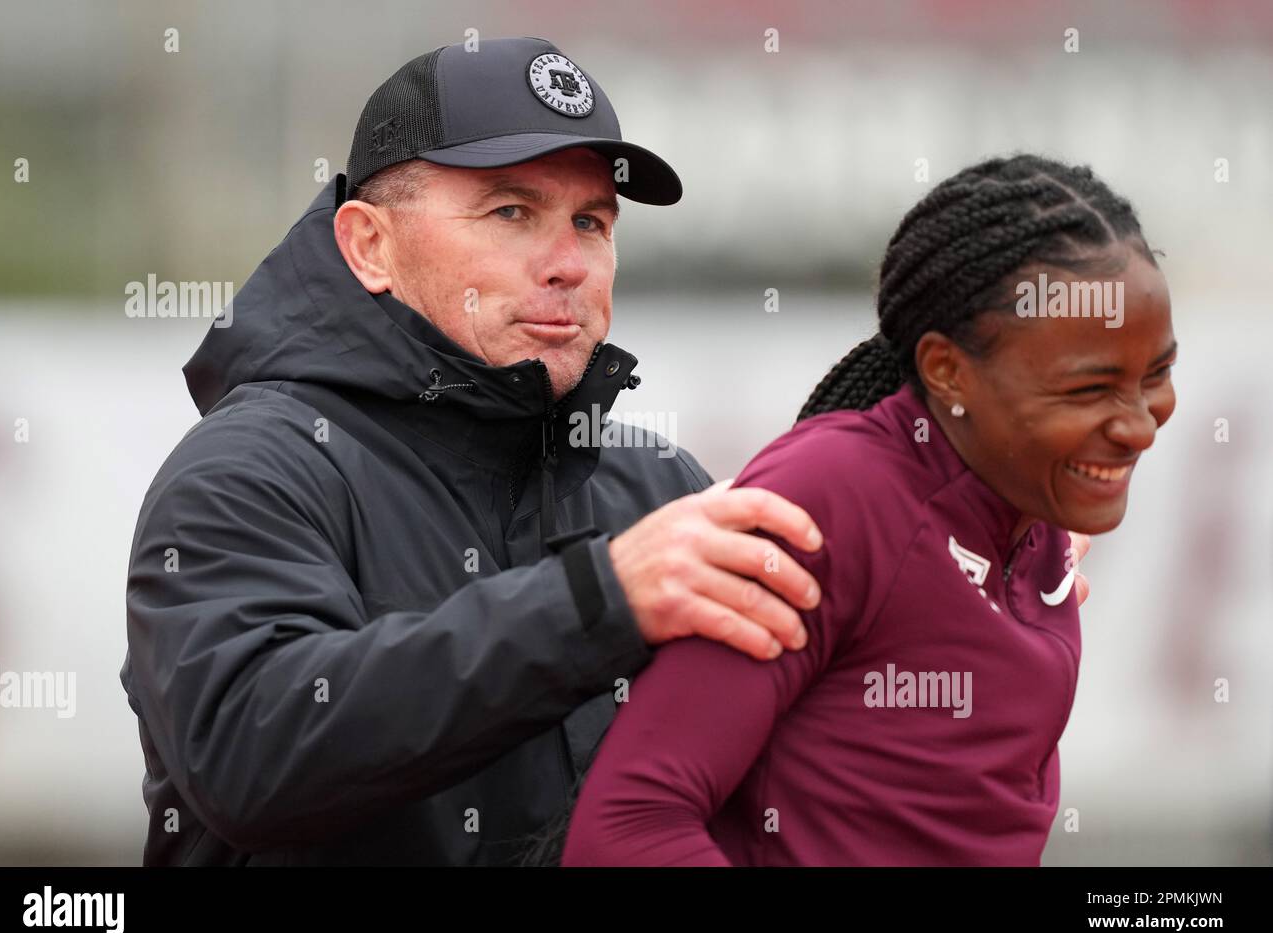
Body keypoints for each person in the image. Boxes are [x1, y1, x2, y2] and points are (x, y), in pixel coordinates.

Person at [120, 36, 825, 866]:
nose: (569, 264)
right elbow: (248, 753)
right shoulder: (250, 470)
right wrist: (600, 603)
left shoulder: (661, 488)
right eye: (511, 213)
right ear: (368, 246)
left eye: (591, 222)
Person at [562, 154, 1173, 866]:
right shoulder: (832, 495)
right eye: (1088, 390)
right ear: (947, 370)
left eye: (1156, 374)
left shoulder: (1033, 516)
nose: (1139, 423)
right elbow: (627, 828)